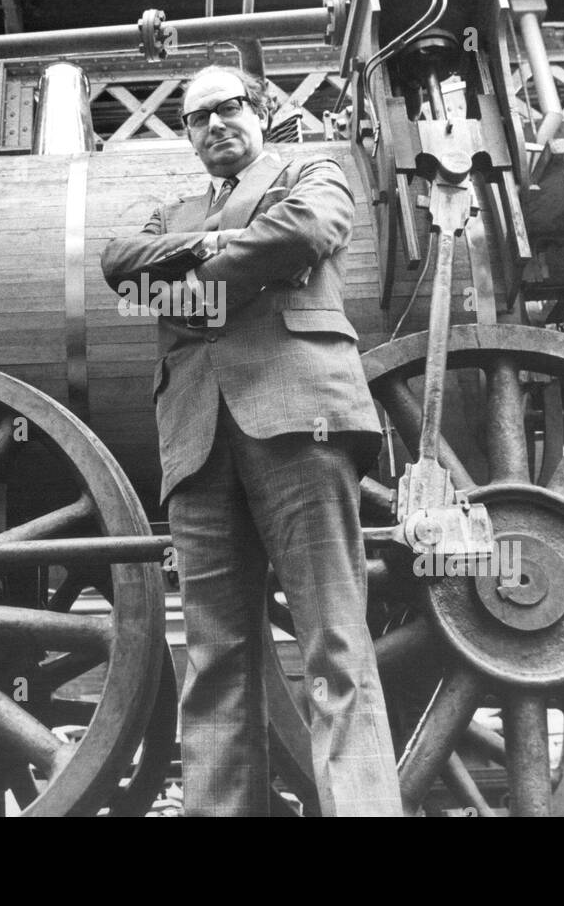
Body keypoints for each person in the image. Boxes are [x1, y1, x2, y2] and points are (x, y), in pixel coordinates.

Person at [101, 64, 402, 817]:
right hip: (197, 441)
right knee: (214, 660)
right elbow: (118, 267)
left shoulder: (314, 169)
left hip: (300, 417)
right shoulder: (169, 209)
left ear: (261, 111)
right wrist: (233, 243)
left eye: (227, 108)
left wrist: (194, 263)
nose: (214, 126)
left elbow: (306, 230)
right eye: (197, 118)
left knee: (335, 641)